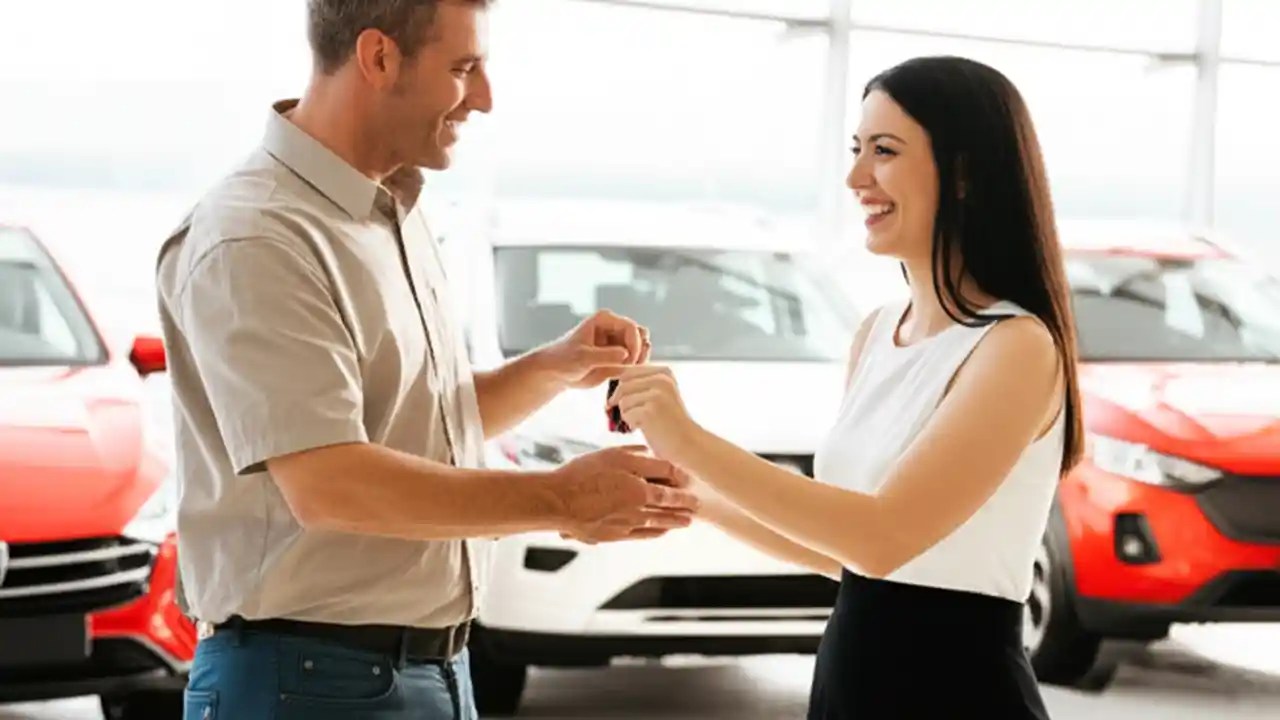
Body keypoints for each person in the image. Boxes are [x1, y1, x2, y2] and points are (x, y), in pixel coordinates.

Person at [154, 2, 699, 718]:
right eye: (463, 68)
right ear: (379, 58)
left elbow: (412, 420)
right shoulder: (258, 237)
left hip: (428, 670)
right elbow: (330, 482)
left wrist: (552, 367)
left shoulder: (389, 210)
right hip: (305, 684)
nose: (485, 97)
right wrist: (562, 499)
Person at [608, 55, 1083, 719]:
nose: (856, 177)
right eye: (858, 150)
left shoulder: (1017, 348)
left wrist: (688, 439)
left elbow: (883, 537)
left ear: (968, 172)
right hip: (852, 679)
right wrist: (699, 500)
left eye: (884, 152)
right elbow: (851, 559)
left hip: (958, 694)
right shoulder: (877, 332)